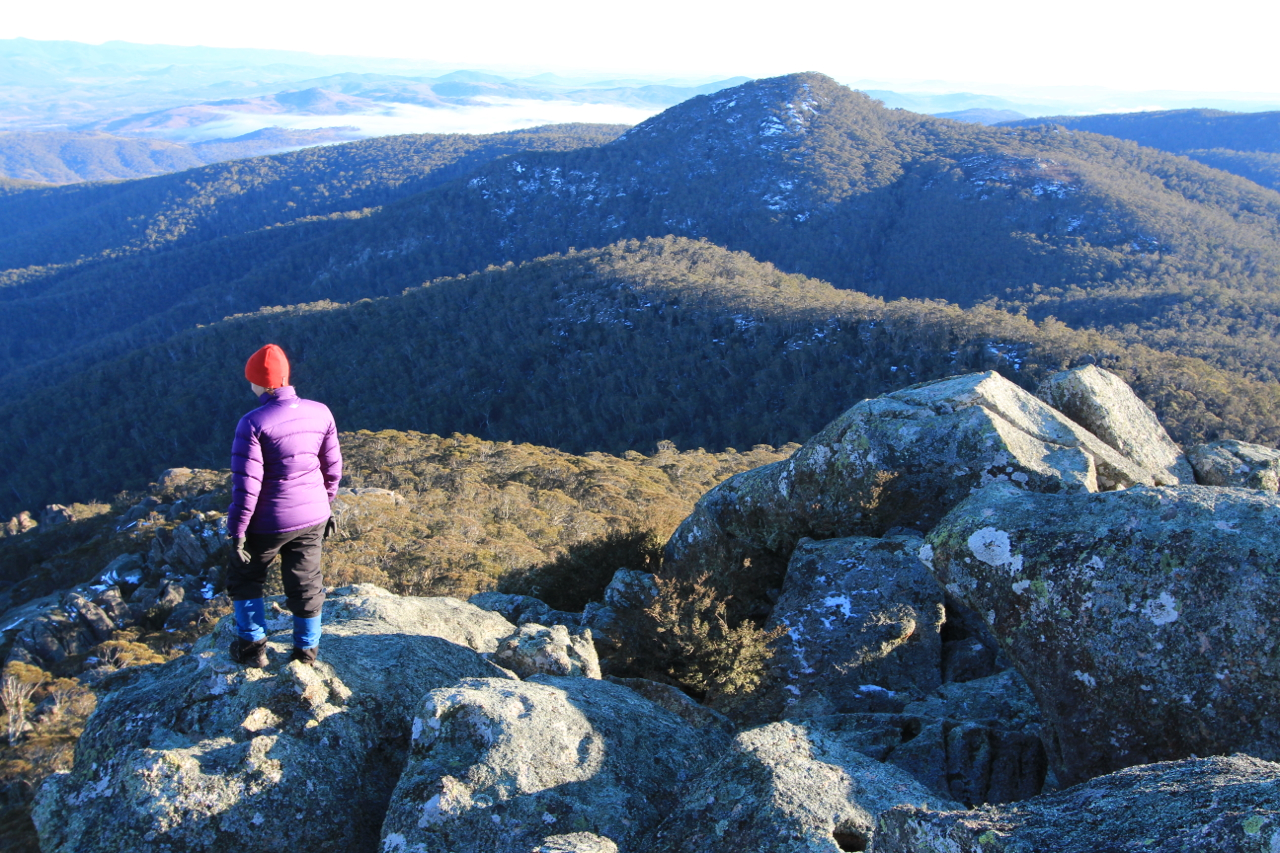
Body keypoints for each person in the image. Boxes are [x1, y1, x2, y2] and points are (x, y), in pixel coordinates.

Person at [226, 343, 342, 667]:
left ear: (260, 383)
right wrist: (326, 505)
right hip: (313, 516)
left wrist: (237, 532)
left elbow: (247, 485)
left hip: (268, 522)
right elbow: (332, 468)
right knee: (306, 583)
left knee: (246, 577)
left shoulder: (252, 422)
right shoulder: (321, 411)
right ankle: (306, 654)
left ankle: (252, 650)